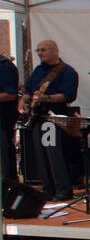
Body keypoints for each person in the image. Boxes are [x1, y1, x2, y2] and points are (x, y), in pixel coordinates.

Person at [17, 40, 79, 201]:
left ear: (55, 51)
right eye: (38, 50)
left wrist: (47, 97)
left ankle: (63, 190)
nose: (40, 53)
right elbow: (29, 90)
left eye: (43, 50)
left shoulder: (67, 72)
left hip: (53, 118)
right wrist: (24, 100)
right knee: (41, 155)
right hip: (38, 117)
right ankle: (48, 189)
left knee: (54, 154)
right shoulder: (39, 70)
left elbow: (68, 95)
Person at [0, 54, 18, 185]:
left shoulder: (5, 66)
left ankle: (8, 184)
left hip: (3, 117)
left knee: (4, 150)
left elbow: (10, 94)